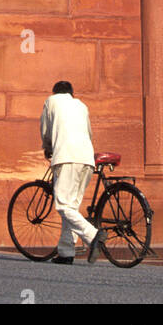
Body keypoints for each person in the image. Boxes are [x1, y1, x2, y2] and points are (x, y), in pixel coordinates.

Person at [40, 80, 106, 264]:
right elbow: (89, 133)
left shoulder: (51, 101)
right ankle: (66, 252)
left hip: (66, 157)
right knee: (72, 207)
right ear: (71, 93)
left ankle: (93, 235)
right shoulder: (82, 106)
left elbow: (45, 130)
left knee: (63, 206)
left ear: (55, 92)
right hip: (86, 159)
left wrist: (47, 147)